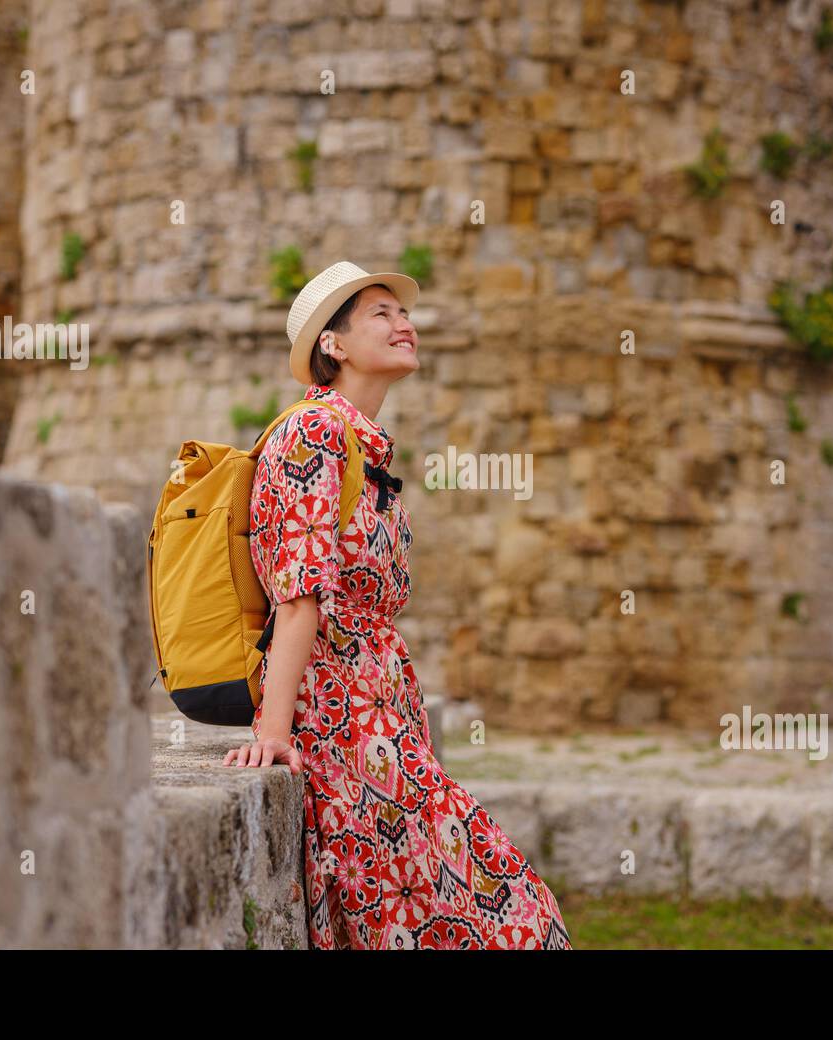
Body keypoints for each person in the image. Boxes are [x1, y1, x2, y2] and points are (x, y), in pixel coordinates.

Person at [222, 261, 572, 950]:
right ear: (334, 345)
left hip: (384, 717)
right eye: (379, 313)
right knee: (506, 918)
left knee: (459, 913)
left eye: (402, 312)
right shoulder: (314, 435)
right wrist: (273, 728)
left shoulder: (363, 447)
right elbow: (298, 597)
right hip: (342, 724)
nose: (402, 323)